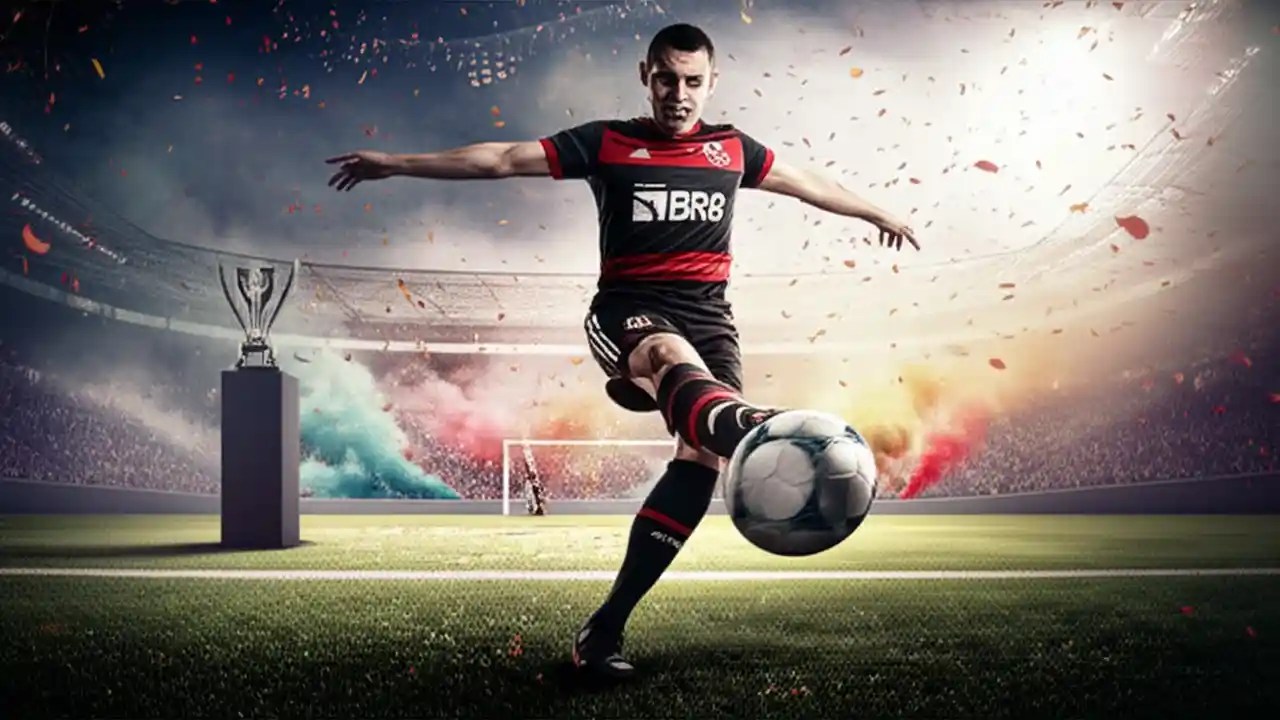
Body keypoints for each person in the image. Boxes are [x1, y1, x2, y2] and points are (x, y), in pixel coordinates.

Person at [325, 23, 918, 680]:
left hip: (711, 321)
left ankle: (603, 630)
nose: (678, 94)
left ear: (712, 83)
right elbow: (503, 158)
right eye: (666, 79)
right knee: (667, 355)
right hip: (628, 311)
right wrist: (395, 162)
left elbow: (804, 180)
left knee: (699, 458)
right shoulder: (607, 142)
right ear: (645, 76)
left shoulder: (731, 150)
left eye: (692, 82)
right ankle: (752, 424)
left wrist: (877, 213)